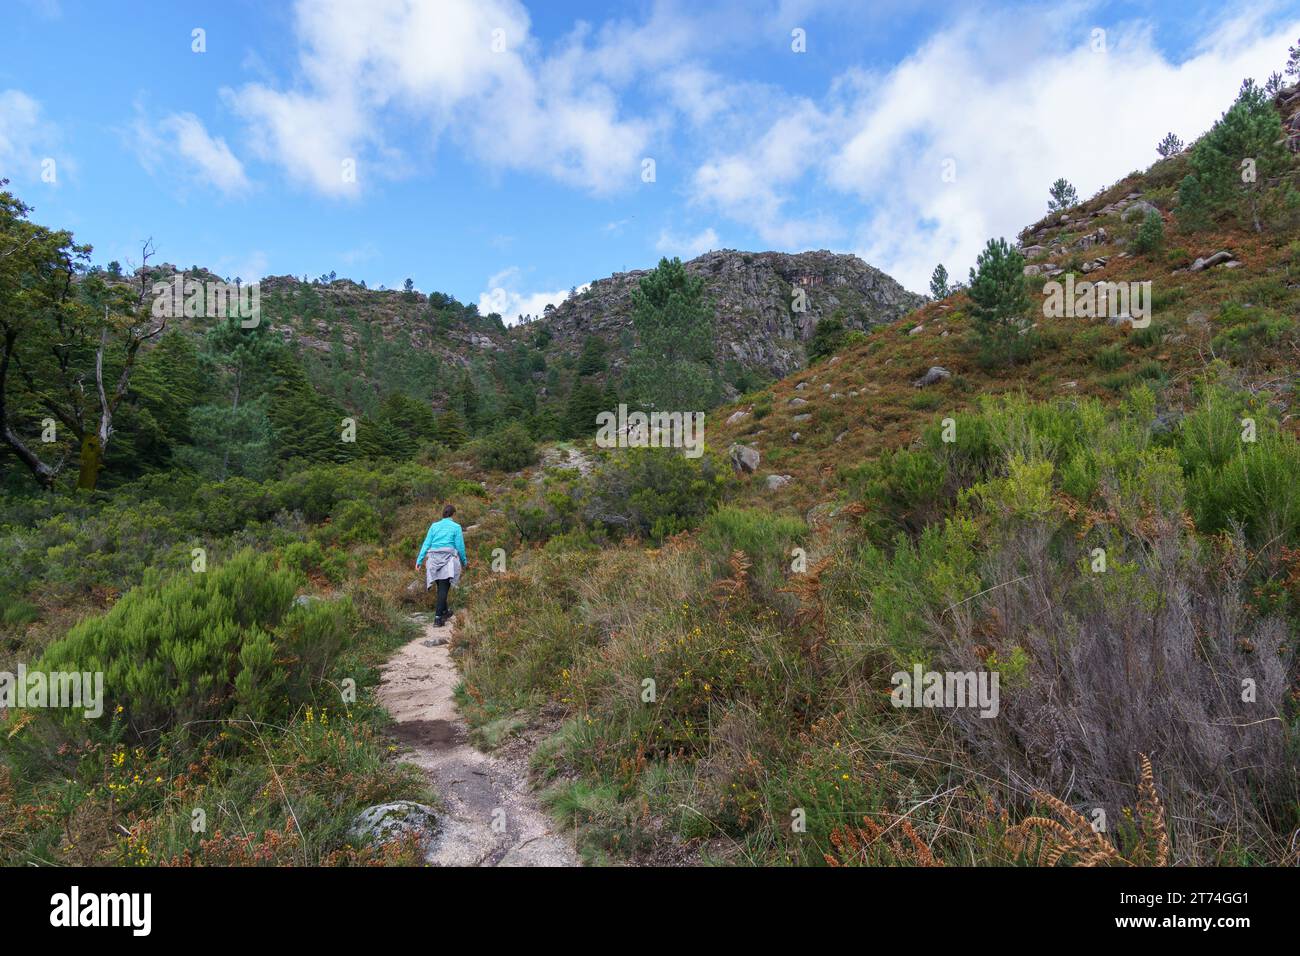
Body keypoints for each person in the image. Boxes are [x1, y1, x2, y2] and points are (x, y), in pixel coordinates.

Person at [416, 504, 468, 627]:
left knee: (441, 588)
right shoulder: (456, 527)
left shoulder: (434, 526)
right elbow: (460, 546)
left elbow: (426, 543)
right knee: (444, 588)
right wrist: (464, 561)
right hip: (448, 559)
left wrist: (419, 561)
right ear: (453, 515)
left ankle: (445, 612)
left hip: (433, 560)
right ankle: (438, 618)